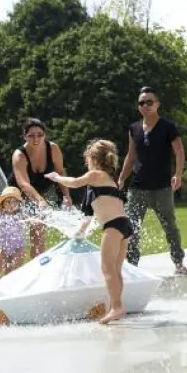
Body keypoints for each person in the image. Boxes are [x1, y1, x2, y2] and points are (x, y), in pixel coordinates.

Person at [46, 139, 135, 324]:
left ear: (93, 158)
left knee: (107, 268)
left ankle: (117, 307)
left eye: (87, 159)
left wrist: (57, 178)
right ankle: (117, 306)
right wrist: (80, 231)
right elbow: (90, 214)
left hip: (113, 227)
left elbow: (74, 182)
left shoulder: (96, 175)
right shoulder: (109, 180)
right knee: (116, 270)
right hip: (124, 226)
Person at [118, 86, 187, 274]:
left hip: (162, 188)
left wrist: (178, 174)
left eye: (149, 102)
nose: (145, 106)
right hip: (137, 187)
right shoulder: (134, 128)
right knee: (131, 227)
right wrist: (121, 179)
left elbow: (179, 151)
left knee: (170, 226)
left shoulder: (168, 127)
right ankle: (132, 266)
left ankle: (178, 263)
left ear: (157, 104)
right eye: (142, 103)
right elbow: (131, 155)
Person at [8, 118, 71, 259]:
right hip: (17, 193)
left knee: (38, 233)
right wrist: (40, 201)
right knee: (9, 236)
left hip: (41, 191)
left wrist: (66, 195)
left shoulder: (53, 148)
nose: (36, 138)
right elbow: (23, 183)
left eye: (40, 134)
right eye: (31, 135)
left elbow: (60, 172)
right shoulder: (19, 155)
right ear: (24, 136)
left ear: (45, 135)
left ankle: (38, 271)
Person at [0, 187, 28, 282]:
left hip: (17, 246)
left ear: (18, 204)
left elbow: (31, 222)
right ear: (2, 204)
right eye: (8, 202)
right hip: (2, 244)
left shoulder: (21, 215)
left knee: (14, 268)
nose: (11, 205)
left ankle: (12, 281)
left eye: (15, 202)